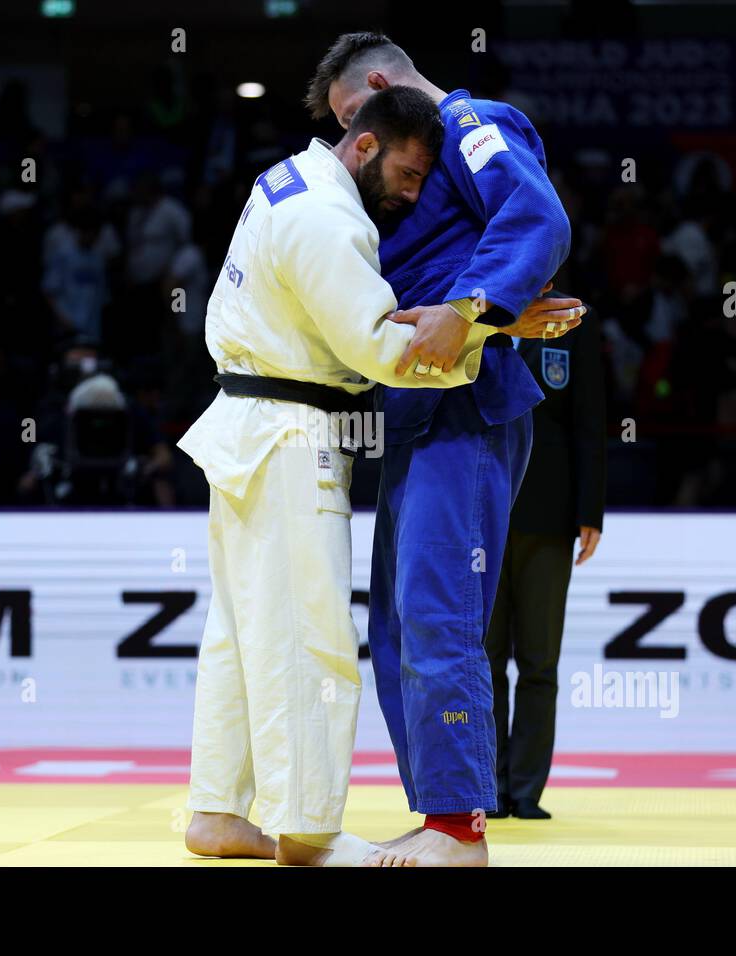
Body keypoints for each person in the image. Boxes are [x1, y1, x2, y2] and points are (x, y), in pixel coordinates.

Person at [177, 87, 501, 867]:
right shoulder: (326, 215)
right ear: (364, 146)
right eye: (410, 172)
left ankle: (219, 814)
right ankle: (307, 832)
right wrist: (490, 319)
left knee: (240, 634)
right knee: (307, 638)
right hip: (290, 436)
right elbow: (377, 347)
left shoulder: (287, 178)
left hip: (253, 425)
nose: (413, 193)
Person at [306, 32, 579, 866]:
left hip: (468, 406)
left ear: (383, 87)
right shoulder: (399, 183)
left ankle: (460, 830)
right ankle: (439, 811)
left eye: (360, 121)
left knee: (437, 613)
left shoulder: (471, 122)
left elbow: (538, 217)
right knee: (394, 626)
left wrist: (476, 307)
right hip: (417, 412)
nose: (361, 150)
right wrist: (491, 306)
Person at [485, 311, 606, 820]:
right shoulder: (475, 317)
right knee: (483, 663)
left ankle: (526, 789)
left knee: (539, 662)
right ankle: (484, 788)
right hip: (482, 512)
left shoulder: (573, 324)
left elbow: (591, 421)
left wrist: (589, 510)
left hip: (550, 516)